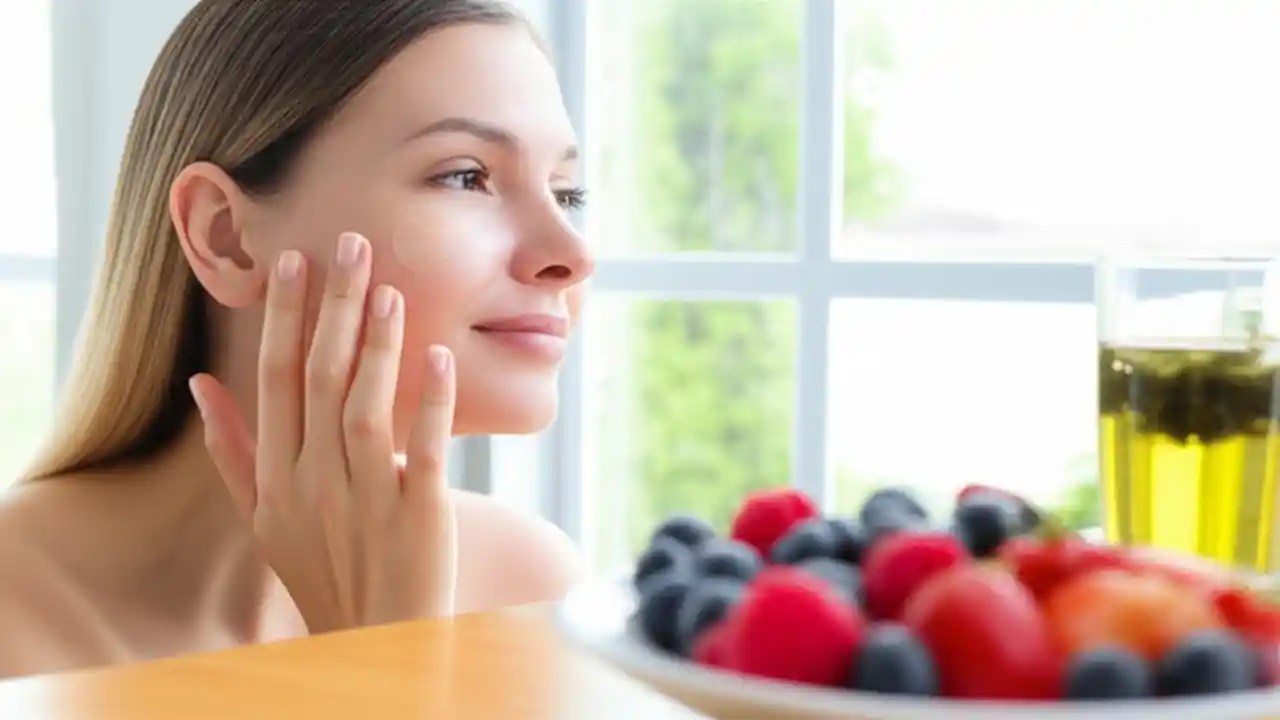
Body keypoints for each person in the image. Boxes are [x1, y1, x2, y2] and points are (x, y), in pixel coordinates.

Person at [0, 0, 593, 678]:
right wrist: (384, 663)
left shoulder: (533, 588)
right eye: (465, 176)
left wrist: (385, 647)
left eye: (566, 192)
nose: (570, 253)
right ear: (225, 237)